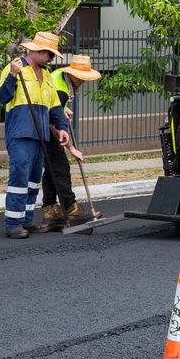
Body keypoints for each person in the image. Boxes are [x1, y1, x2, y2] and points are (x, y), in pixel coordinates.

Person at [0, 31, 71, 239]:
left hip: (41, 135)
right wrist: (12, 76)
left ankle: (26, 221)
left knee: (32, 179)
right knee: (19, 175)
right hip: (20, 133)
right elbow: (2, 98)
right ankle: (13, 224)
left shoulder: (47, 76)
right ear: (35, 50)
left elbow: (55, 106)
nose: (51, 58)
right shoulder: (14, 68)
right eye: (49, 53)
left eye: (53, 55)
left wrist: (62, 127)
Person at [40, 54, 101, 231]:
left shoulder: (59, 75)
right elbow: (54, 122)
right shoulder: (61, 88)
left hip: (44, 121)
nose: (82, 80)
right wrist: (71, 148)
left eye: (84, 77)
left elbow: (52, 102)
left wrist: (62, 107)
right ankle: (71, 209)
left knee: (51, 169)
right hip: (46, 127)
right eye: (79, 76)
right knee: (60, 167)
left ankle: (50, 211)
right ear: (71, 72)